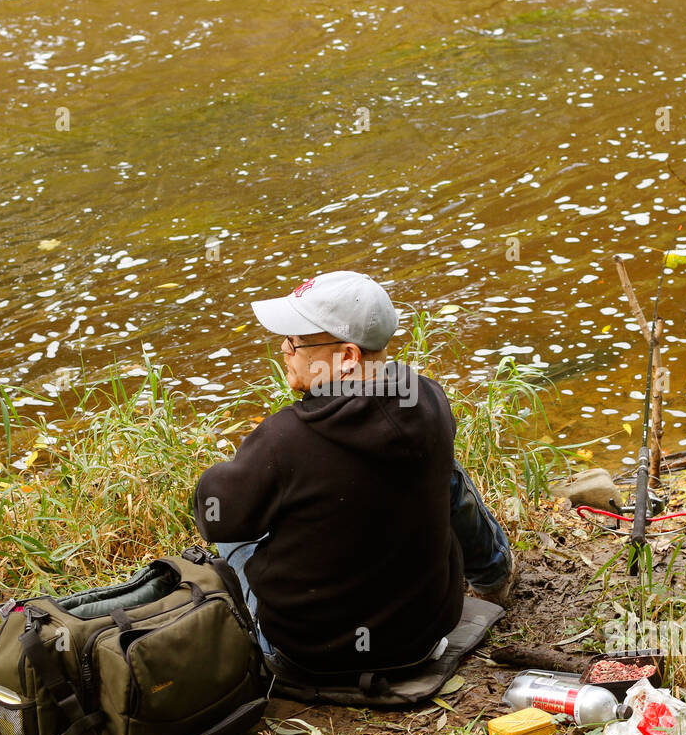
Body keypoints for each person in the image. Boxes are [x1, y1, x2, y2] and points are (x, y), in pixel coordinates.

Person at [192, 270, 514, 675]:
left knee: (236, 531)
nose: (284, 348)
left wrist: (224, 476)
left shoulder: (282, 438)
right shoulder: (428, 398)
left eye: (296, 341)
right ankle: (494, 572)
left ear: (346, 357)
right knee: (443, 471)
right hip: (426, 636)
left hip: (306, 655)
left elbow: (215, 518)